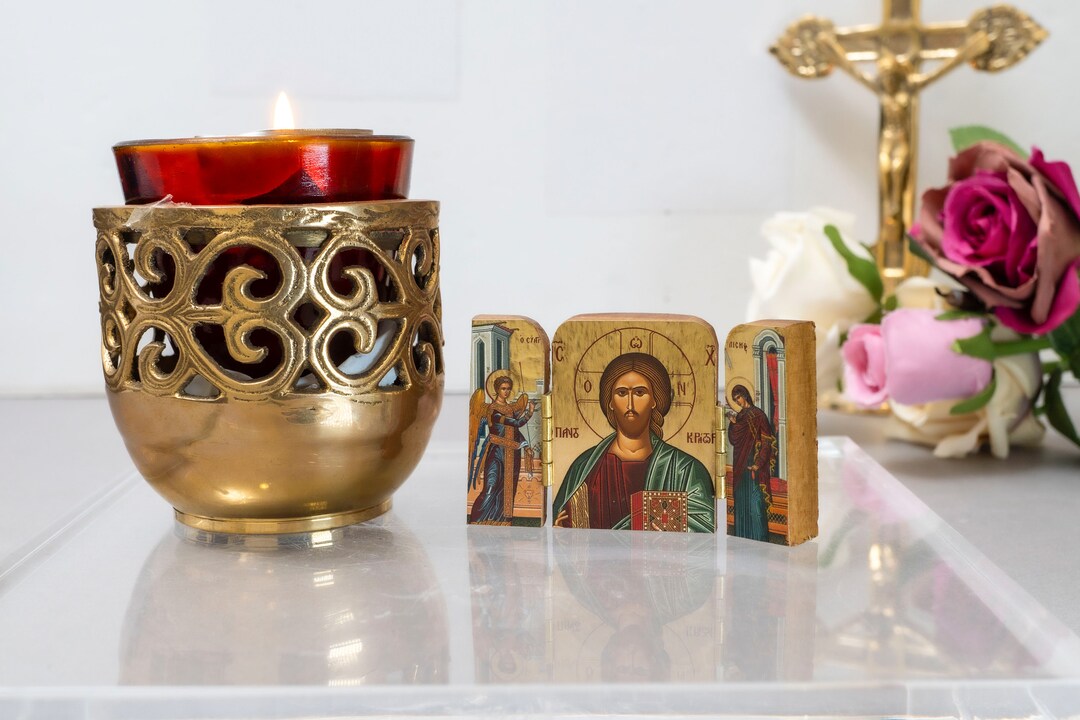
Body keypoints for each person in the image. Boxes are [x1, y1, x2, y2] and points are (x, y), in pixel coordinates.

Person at [552, 352, 715, 532]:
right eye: (621, 393)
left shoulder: (685, 469)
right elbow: (563, 521)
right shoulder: (584, 467)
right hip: (596, 560)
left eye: (639, 392)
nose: (630, 404)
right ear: (611, 402)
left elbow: (704, 525)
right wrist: (561, 532)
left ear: (655, 400)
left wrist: (670, 531)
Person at [468, 374, 535, 525]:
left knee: (506, 489)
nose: (506, 392)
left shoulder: (510, 408)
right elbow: (515, 423)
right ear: (497, 390)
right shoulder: (493, 409)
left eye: (508, 389)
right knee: (491, 486)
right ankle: (477, 519)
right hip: (496, 453)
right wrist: (529, 413)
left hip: (512, 454)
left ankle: (501, 520)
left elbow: (515, 432)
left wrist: (524, 445)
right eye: (503, 388)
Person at [726, 384, 777, 541]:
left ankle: (760, 539)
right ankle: (741, 538)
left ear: (745, 395)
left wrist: (758, 463)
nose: (738, 401)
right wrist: (733, 423)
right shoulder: (740, 416)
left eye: (739, 397)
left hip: (754, 466)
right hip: (740, 466)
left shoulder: (759, 415)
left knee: (755, 504)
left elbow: (767, 441)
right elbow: (734, 440)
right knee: (742, 502)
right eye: (735, 400)